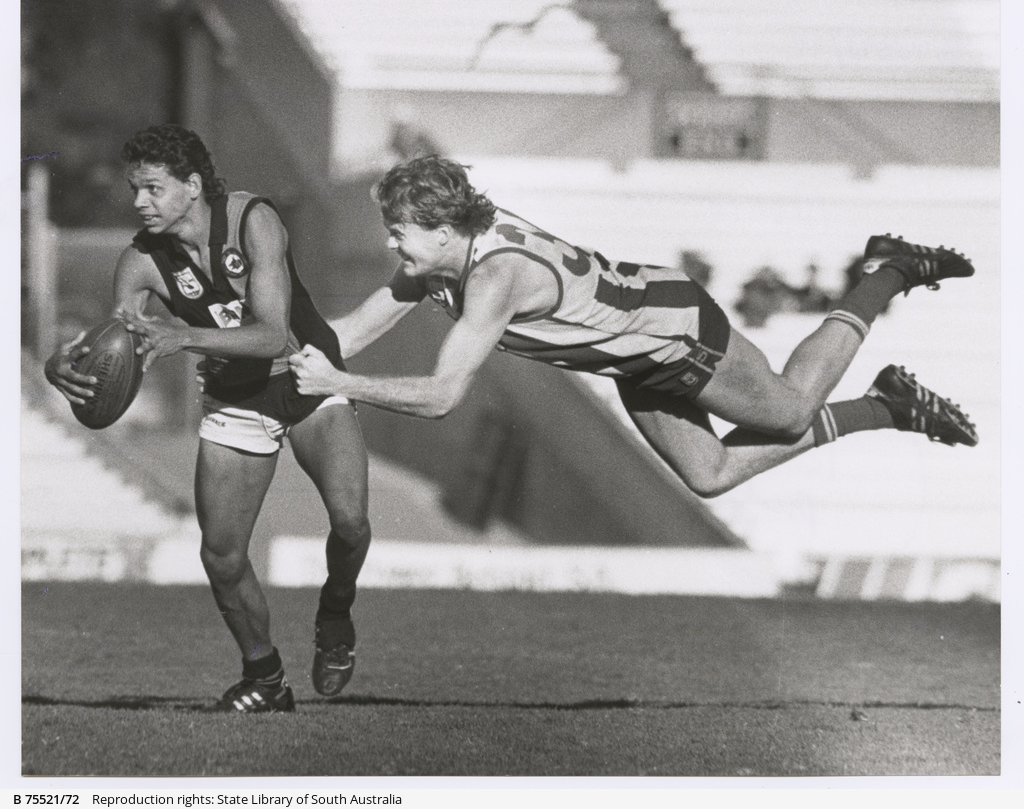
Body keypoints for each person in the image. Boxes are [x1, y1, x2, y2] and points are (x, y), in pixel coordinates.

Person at [289, 155, 977, 503]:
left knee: (792, 409)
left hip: (678, 330)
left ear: (443, 231)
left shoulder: (494, 278)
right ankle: (890, 404)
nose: (390, 246)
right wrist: (267, 360)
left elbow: (441, 397)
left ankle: (885, 271)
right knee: (708, 477)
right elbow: (345, 332)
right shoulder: (439, 259)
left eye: (398, 233)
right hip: (639, 360)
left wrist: (337, 385)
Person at [44, 125, 370, 713]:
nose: (139, 202)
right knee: (220, 555)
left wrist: (184, 335)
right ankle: (266, 678)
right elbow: (116, 340)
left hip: (306, 377)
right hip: (235, 398)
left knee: (350, 522)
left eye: (152, 188)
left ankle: (336, 613)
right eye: (133, 189)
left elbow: (274, 335)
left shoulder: (253, 220)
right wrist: (59, 365)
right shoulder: (141, 261)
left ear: (193, 186)